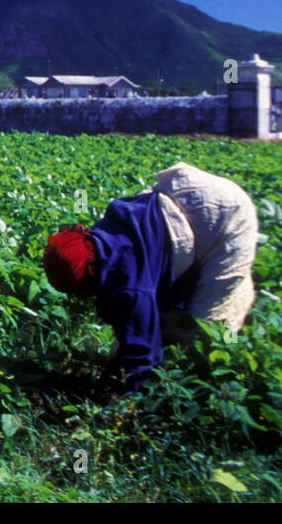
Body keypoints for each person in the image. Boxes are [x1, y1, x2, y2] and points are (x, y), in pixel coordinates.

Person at [42, 162, 258, 392]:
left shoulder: (129, 286)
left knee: (209, 321)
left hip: (229, 217)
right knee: (168, 306)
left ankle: (224, 376)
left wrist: (124, 392)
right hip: (187, 192)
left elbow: (142, 353)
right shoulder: (100, 236)